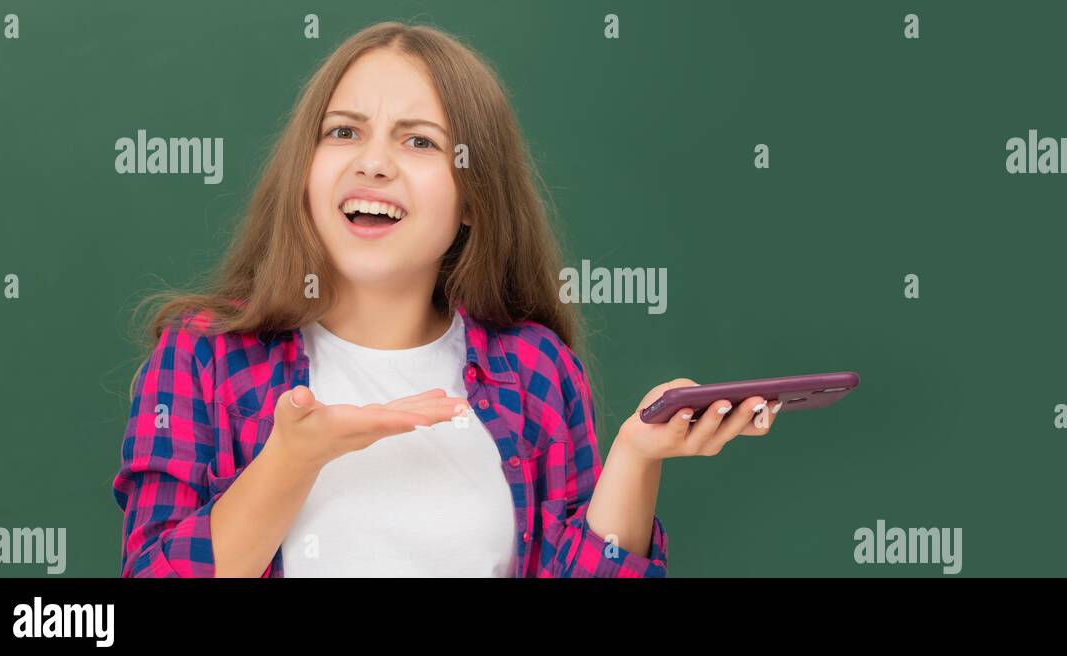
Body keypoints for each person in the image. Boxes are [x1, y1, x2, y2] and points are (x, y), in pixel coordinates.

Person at [112, 21, 781, 578]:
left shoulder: (535, 371)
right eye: (343, 131)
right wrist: (290, 459)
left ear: (472, 200)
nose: (372, 162)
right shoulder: (205, 354)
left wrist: (635, 455)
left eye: (418, 140)